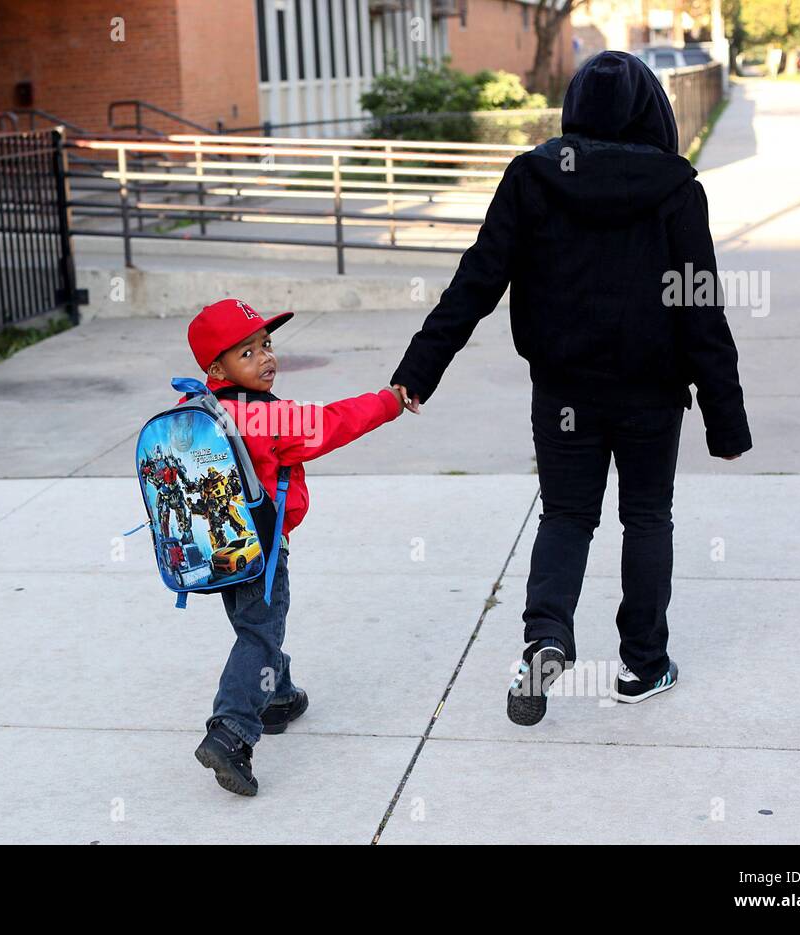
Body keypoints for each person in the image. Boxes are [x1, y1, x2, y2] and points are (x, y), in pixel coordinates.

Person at [389, 52, 752, 726]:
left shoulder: (532, 178)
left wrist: (420, 368)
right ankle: (643, 666)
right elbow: (702, 306)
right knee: (646, 516)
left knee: (565, 515)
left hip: (562, 393)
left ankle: (547, 634)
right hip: (650, 393)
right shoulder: (676, 188)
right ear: (652, 111)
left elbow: (478, 278)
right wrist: (724, 419)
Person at [187, 298, 403, 794]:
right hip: (261, 551)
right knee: (260, 634)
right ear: (218, 366)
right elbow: (332, 423)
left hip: (215, 551)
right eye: (247, 352)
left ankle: (278, 696)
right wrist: (388, 402)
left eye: (266, 344)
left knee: (256, 626)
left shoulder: (196, 409)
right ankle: (231, 729)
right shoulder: (267, 419)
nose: (265, 358)